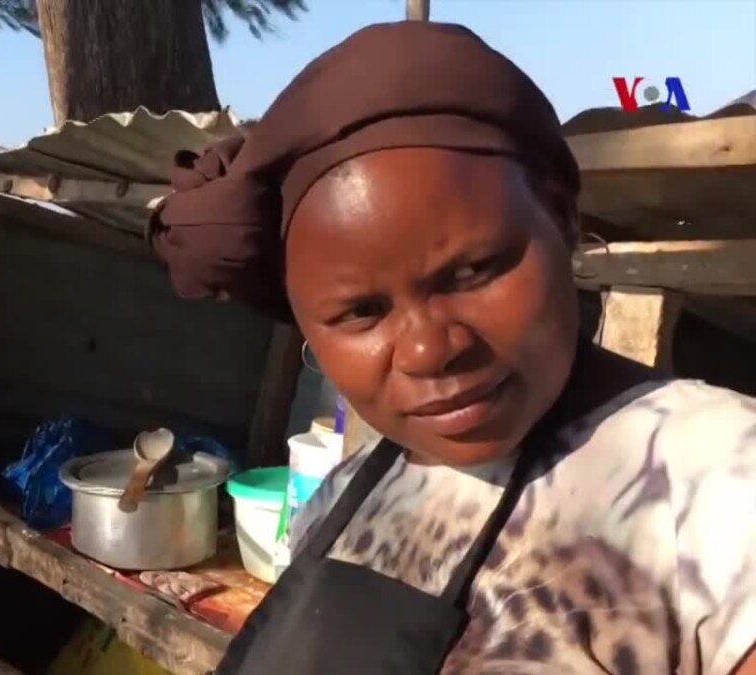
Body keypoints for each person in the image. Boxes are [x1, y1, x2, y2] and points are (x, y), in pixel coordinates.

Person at [149, 21, 755, 675]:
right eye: (361, 311)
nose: (428, 349)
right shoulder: (345, 497)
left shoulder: (717, 484)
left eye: (473, 272)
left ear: (562, 217)